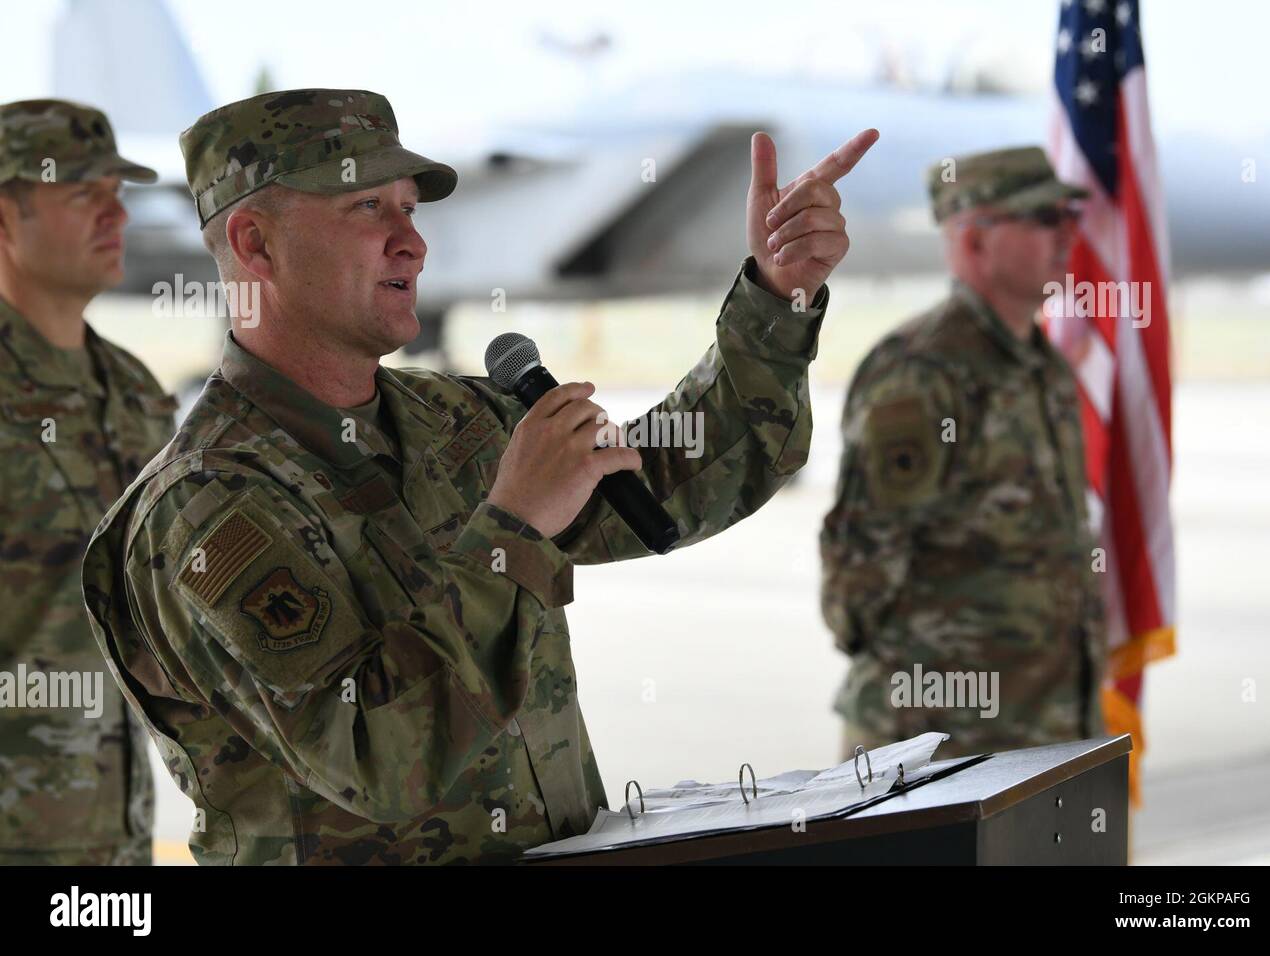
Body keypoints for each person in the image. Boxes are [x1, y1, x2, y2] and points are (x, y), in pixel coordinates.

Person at [82, 88, 877, 864]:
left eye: (410, 209)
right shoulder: (206, 506)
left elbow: (676, 478)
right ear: (255, 244)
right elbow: (378, 754)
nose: (412, 243)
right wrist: (514, 526)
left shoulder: (452, 420)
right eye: (367, 208)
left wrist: (777, 297)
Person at [820, 145, 1104, 760]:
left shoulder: (1045, 370)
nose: (1066, 235)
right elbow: (860, 565)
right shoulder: (924, 373)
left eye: (1068, 217)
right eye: (1042, 219)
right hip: (936, 748)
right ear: (975, 243)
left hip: (1045, 732)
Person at [0, 99, 176, 865]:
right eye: (83, 195)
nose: (117, 216)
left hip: (113, 834)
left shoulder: (135, 392)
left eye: (119, 193)